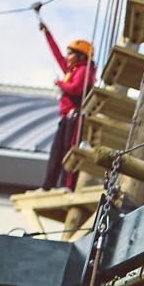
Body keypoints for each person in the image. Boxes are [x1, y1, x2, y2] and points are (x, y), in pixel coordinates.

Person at [38, 16, 96, 190]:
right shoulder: (71, 70)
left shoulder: (85, 70)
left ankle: (68, 185)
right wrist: (47, 33)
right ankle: (48, 186)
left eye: (71, 53)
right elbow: (56, 54)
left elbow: (76, 89)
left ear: (80, 56)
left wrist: (60, 83)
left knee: (69, 151)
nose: (67, 57)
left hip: (75, 117)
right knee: (56, 153)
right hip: (66, 118)